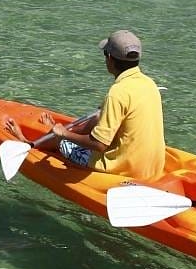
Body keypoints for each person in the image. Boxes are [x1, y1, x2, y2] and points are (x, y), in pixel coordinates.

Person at [38, 29, 166, 183]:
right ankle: (57, 132)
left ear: (110, 58)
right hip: (153, 167)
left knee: (62, 141)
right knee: (96, 119)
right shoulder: (149, 83)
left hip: (124, 170)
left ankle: (33, 141)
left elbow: (99, 144)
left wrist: (63, 134)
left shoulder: (117, 93)